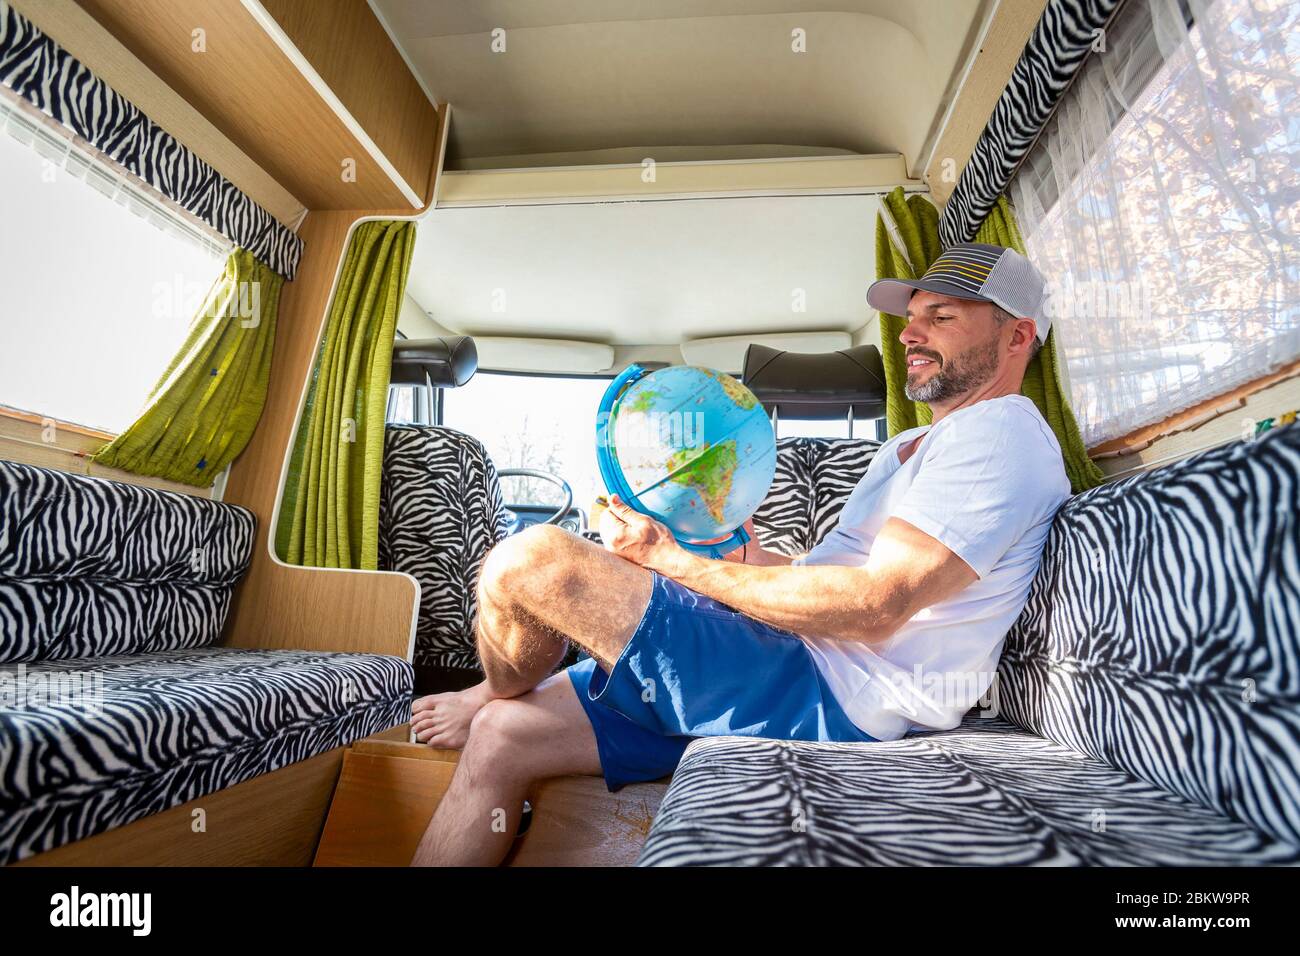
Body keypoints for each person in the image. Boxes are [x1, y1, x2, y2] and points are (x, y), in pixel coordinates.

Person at [409, 242, 1071, 866]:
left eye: (942, 316)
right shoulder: (909, 448)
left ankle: (491, 683)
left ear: (1018, 336)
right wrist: (745, 557)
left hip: (824, 694)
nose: (908, 333)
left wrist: (669, 559)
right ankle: (494, 700)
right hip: (787, 658)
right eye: (911, 316)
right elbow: (833, 576)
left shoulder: (999, 434)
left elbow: (876, 605)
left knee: (530, 564)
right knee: (502, 735)